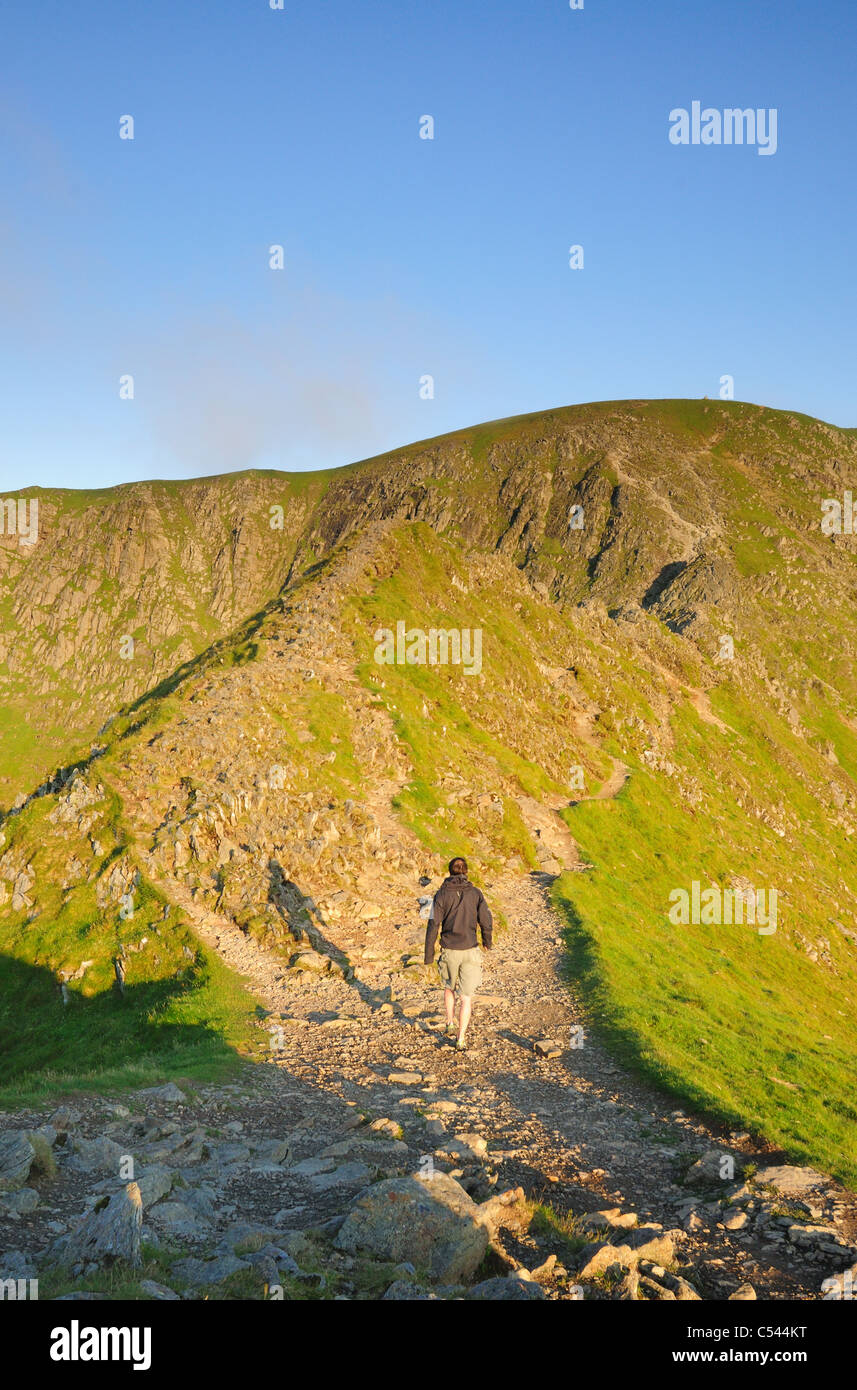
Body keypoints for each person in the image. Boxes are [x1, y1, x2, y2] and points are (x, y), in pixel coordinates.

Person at [424, 856, 493, 1052]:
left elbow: (433, 923)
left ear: (450, 872)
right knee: (467, 997)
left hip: (449, 950)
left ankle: (449, 1021)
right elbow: (486, 920)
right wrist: (487, 941)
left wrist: (429, 954)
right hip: (470, 949)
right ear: (466, 872)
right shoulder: (476, 893)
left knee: (448, 988)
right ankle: (461, 1038)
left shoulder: (441, 894)